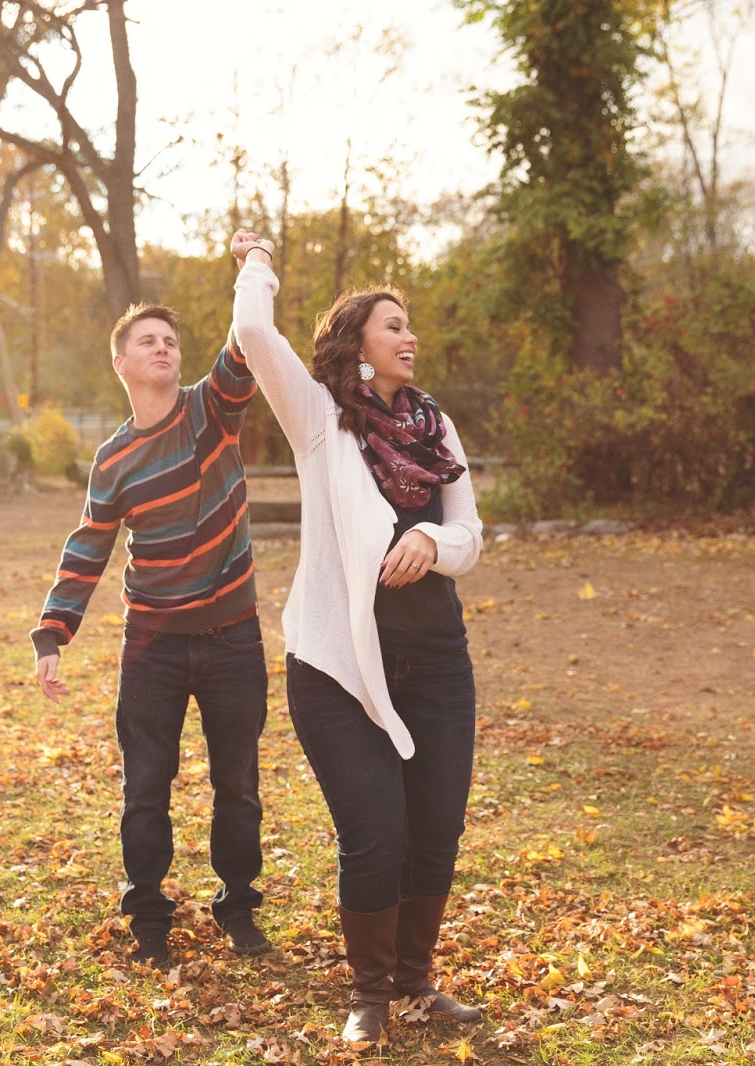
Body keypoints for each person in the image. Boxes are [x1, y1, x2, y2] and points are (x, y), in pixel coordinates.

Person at [229, 230, 484, 1043]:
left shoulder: (435, 429)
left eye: (411, 326)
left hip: (437, 661)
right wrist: (259, 262)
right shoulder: (320, 423)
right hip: (338, 668)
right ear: (358, 347)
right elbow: (254, 336)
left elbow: (470, 533)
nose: (410, 337)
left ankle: (416, 984)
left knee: (436, 828)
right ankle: (369, 995)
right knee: (376, 834)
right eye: (393, 326)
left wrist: (432, 544)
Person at [30, 302, 271, 970]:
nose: (163, 347)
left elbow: (243, 342)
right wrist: (52, 633)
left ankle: (239, 908)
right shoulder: (112, 461)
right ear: (123, 362)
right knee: (145, 788)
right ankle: (148, 918)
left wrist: (254, 270)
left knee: (239, 784)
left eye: (170, 340)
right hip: (154, 646)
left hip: (232, 638)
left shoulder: (213, 410)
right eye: (147, 340)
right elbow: (89, 549)